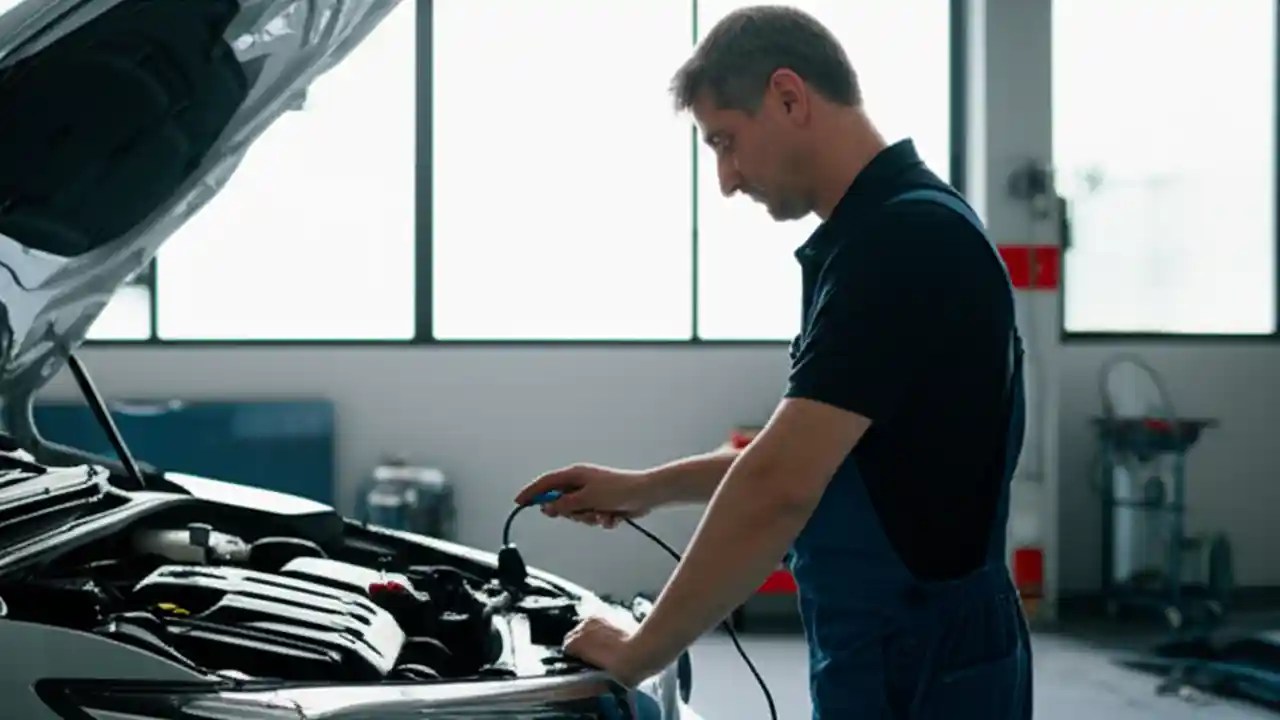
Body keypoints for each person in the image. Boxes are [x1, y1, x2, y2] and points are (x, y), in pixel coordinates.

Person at [514, 6, 1032, 718]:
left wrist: (640, 651)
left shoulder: (903, 243)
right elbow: (839, 464)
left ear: (789, 97)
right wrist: (642, 489)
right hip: (894, 649)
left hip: (925, 661)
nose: (726, 179)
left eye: (726, 141)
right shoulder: (887, 233)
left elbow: (781, 484)